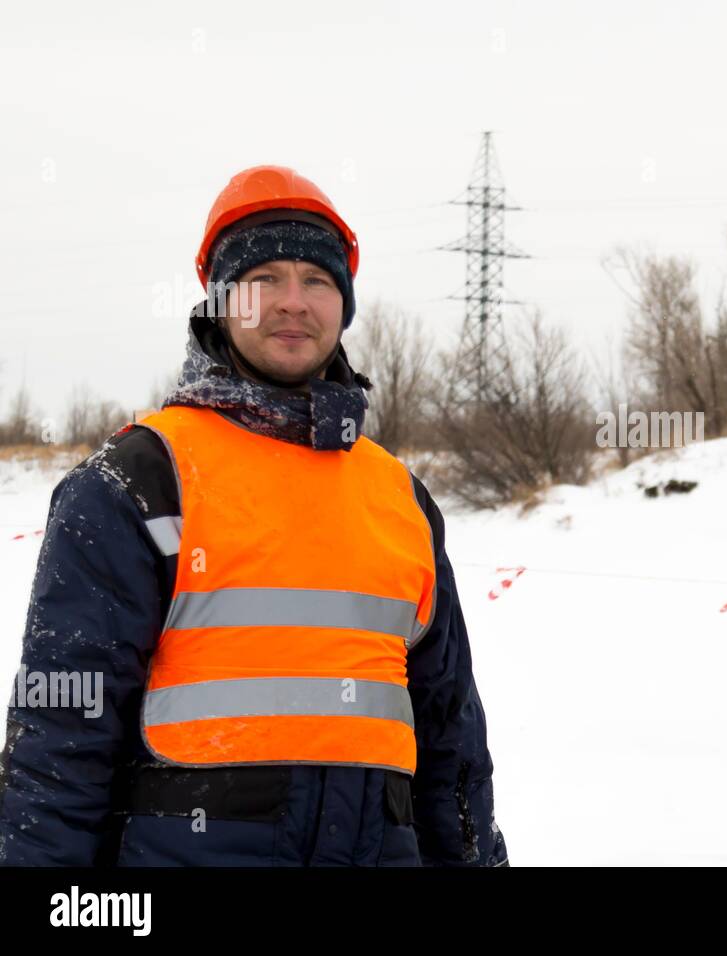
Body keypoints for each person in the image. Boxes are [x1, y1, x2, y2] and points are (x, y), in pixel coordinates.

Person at [0, 165, 508, 866]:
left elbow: (452, 751)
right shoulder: (137, 482)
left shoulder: (401, 498)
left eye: (317, 280)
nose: (293, 302)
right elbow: (61, 741)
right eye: (264, 278)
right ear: (220, 300)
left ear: (344, 304)